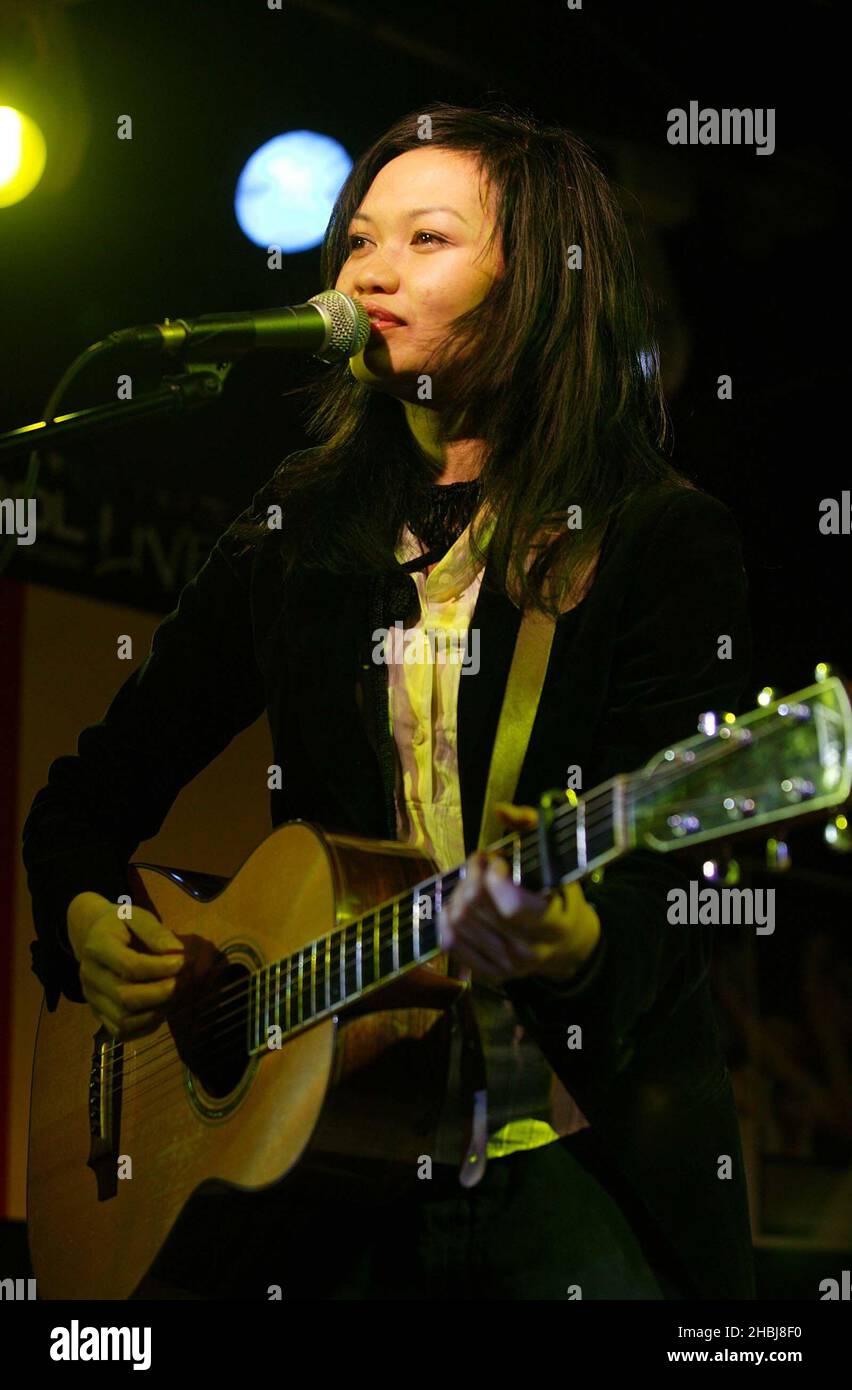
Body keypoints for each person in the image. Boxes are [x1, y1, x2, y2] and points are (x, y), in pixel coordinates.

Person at [23, 101, 755, 1300]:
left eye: (427, 240)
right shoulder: (296, 529)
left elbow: (693, 870)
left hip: (574, 1153)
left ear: (538, 285)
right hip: (327, 1179)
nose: (370, 272)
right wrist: (89, 921)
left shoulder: (653, 538)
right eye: (360, 239)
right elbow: (86, 800)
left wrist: (582, 939)